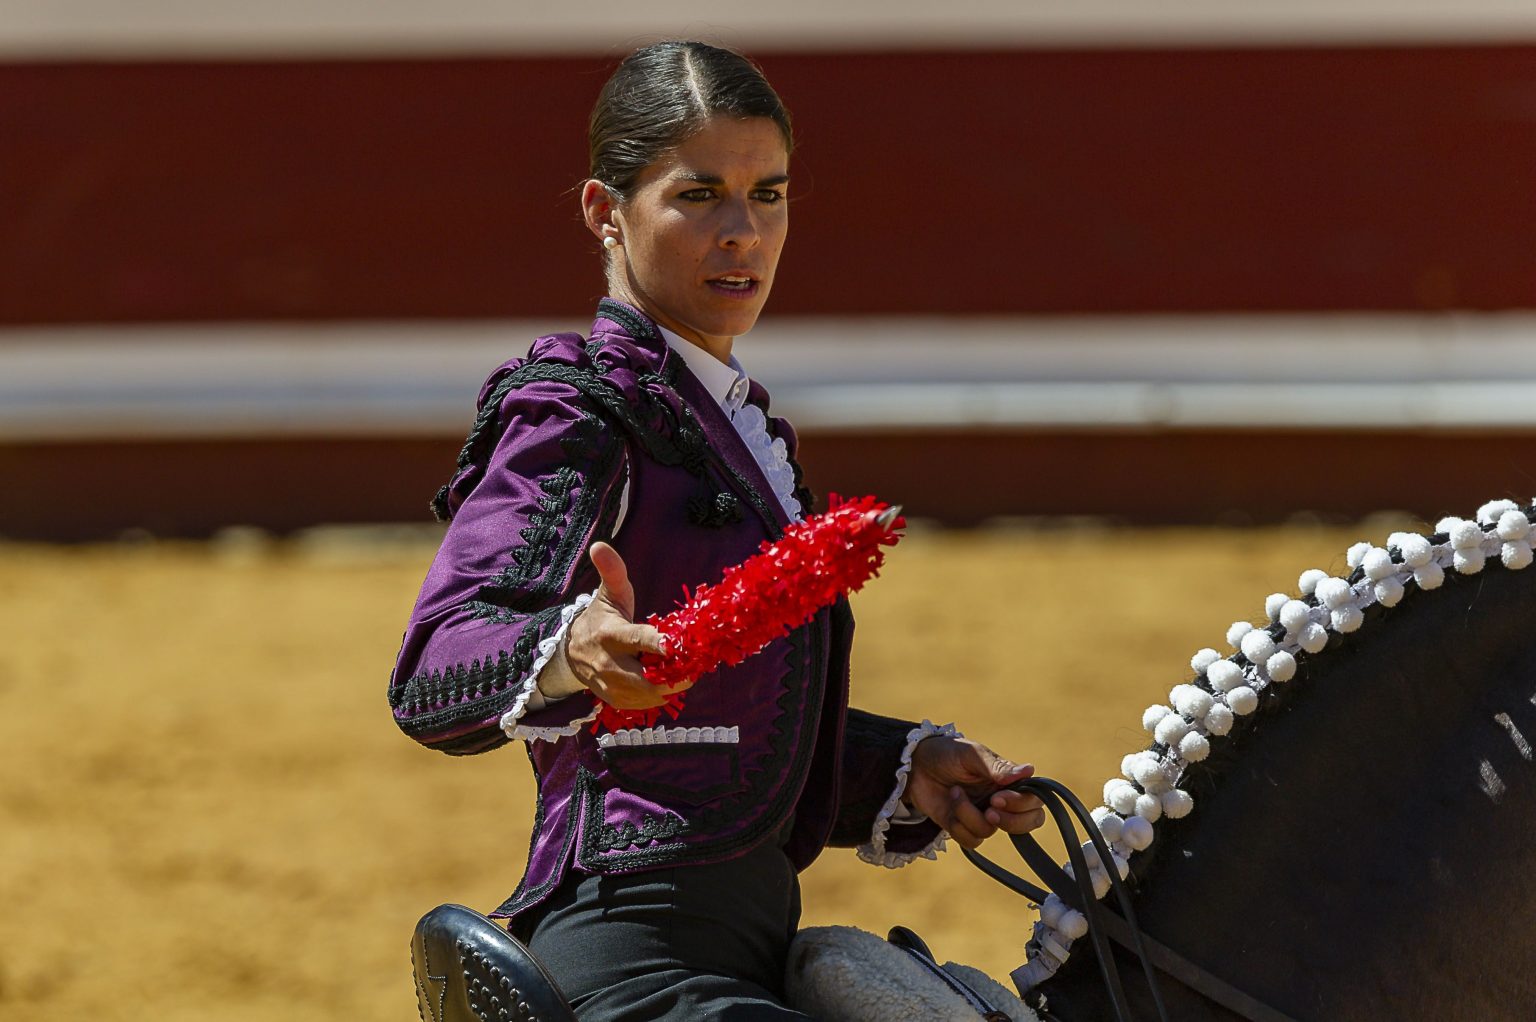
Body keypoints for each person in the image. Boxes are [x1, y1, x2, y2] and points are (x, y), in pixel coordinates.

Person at [388, 40, 1046, 1021]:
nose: (743, 232)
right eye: (698, 196)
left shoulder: (735, 429)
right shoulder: (583, 414)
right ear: (605, 213)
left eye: (768, 193)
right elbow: (435, 663)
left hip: (751, 951)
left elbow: (719, 724)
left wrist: (905, 773)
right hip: (638, 967)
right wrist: (569, 645)